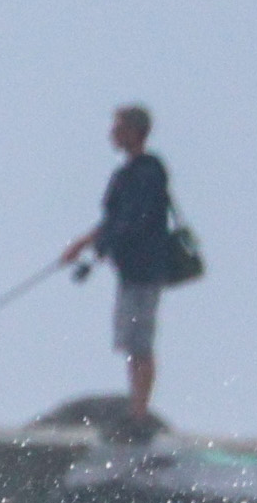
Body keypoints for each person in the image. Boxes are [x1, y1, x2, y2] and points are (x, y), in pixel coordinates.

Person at [60, 103, 180, 426]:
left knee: (139, 342)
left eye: (118, 128)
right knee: (131, 341)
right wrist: (84, 246)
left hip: (145, 269)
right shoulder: (127, 175)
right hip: (131, 270)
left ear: (133, 132)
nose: (112, 134)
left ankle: (138, 412)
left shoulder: (148, 172)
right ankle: (136, 408)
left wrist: (98, 248)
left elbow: (132, 221)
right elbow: (114, 221)